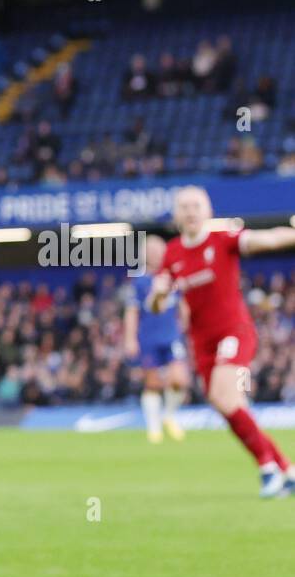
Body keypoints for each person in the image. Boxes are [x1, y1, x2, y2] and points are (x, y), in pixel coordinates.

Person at [151, 186, 295, 496]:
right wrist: (159, 294)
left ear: (208, 211)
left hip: (234, 331)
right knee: (227, 404)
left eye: (196, 205)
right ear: (176, 214)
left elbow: (266, 238)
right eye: (184, 206)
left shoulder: (222, 239)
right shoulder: (173, 252)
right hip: (202, 342)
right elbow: (157, 302)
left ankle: (267, 467)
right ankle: (287, 469)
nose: (190, 211)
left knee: (222, 394)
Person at [122, 236, 188, 444]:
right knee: (152, 383)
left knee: (179, 379)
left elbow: (184, 305)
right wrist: (130, 339)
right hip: (149, 337)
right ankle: (154, 427)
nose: (155, 253)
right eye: (150, 250)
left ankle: (168, 415)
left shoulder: (173, 277)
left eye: (158, 249)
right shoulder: (140, 281)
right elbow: (132, 312)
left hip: (171, 335)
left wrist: (187, 325)